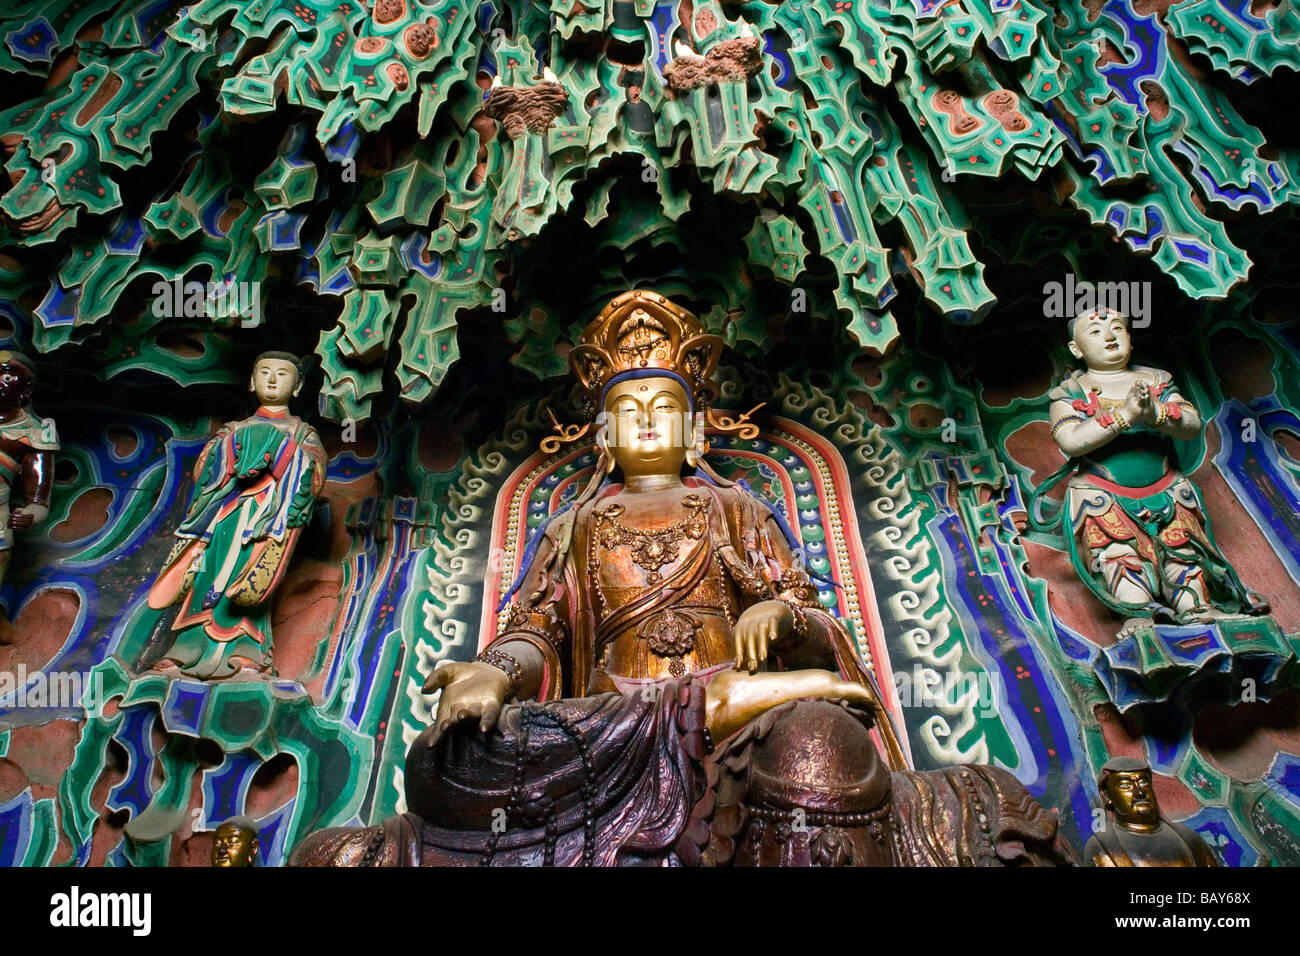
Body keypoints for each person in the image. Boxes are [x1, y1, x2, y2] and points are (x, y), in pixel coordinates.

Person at [1033, 307, 1266, 637]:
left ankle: (1195, 608)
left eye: (1118, 328)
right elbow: (1071, 441)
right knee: (1117, 554)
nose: (1109, 336)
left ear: (1130, 337)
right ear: (1076, 349)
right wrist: (1125, 416)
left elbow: (1191, 425)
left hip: (1167, 487)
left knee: (1183, 549)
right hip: (1103, 495)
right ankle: (1138, 612)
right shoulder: (1070, 393)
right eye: (1096, 333)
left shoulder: (1157, 380)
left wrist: (1154, 412)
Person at [147, 352, 326, 679]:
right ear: (251, 381)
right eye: (264, 372)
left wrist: (283, 454)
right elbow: (204, 471)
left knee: (250, 580)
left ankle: (247, 650)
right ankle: (187, 645)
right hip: (222, 515)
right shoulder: (232, 430)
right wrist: (233, 454)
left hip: (266, 519)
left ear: (298, 387)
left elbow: (313, 477)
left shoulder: (302, 434)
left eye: (282, 374)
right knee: (206, 574)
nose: (272, 380)